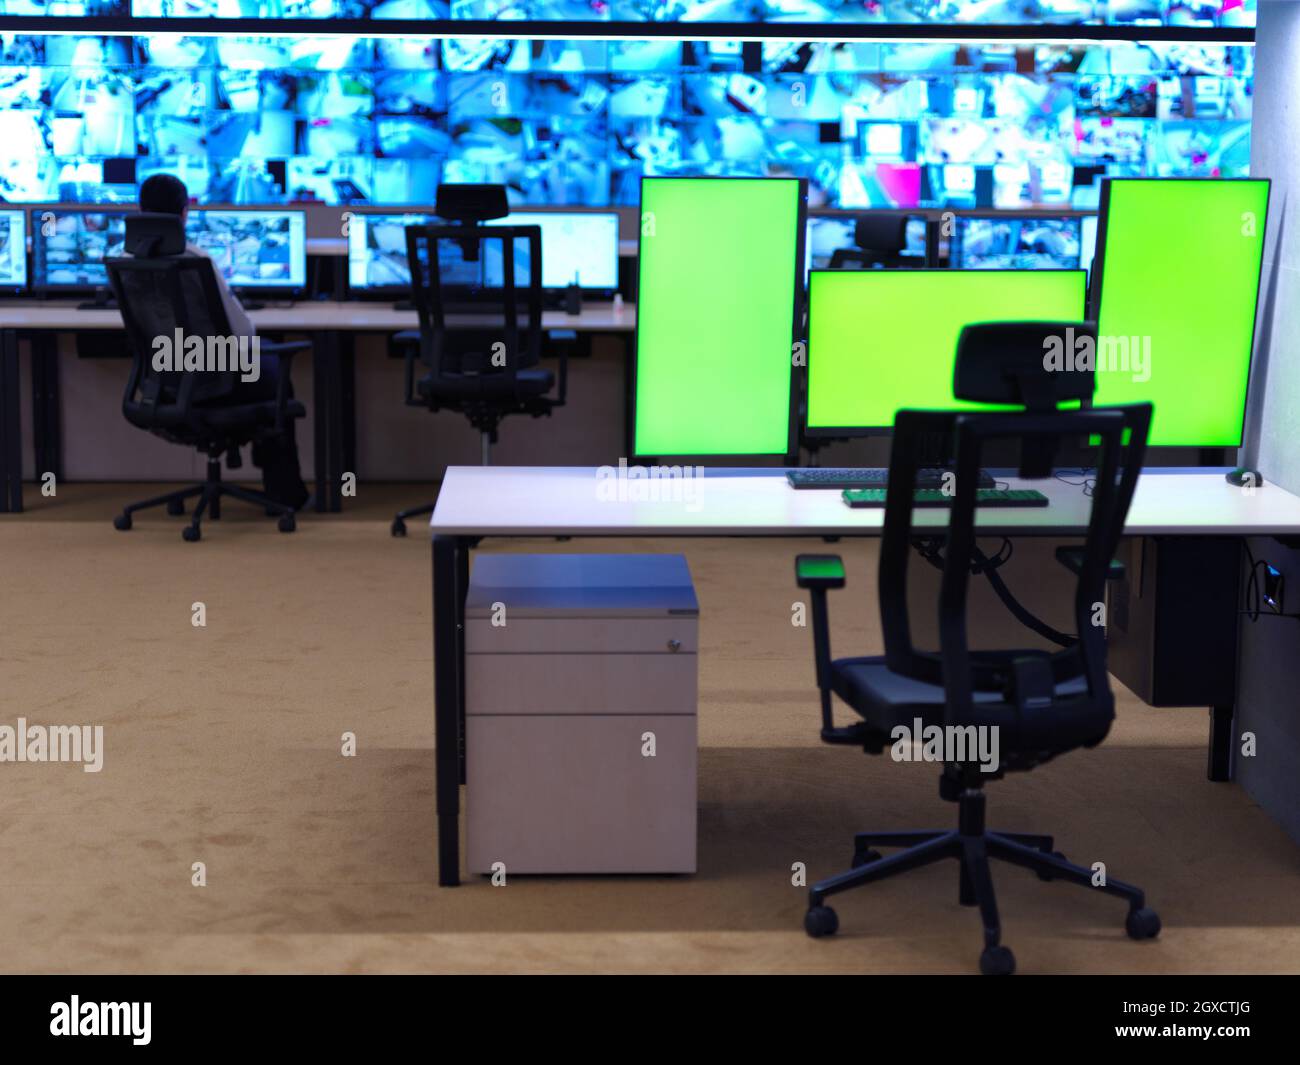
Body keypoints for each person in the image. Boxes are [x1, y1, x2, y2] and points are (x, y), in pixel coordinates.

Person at [137, 173, 310, 510]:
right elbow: (243, 334)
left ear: (139, 210)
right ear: (185, 212)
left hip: (163, 382)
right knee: (274, 369)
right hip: (215, 381)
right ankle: (284, 493)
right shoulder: (195, 259)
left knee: (265, 367)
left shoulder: (128, 260)